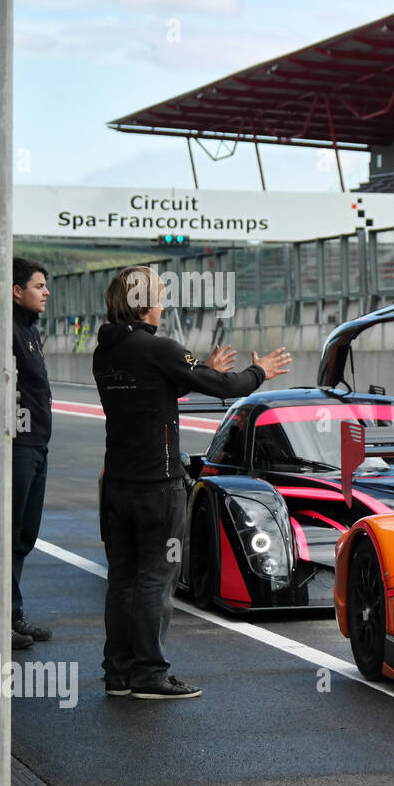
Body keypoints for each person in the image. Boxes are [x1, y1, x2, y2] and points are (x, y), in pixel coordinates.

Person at [94, 265, 290, 699]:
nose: (163, 303)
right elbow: (225, 386)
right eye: (160, 295)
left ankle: (119, 674)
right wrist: (260, 372)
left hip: (118, 484)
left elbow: (149, 391)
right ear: (144, 303)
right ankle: (150, 675)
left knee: (123, 579)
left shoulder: (105, 349)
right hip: (158, 486)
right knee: (156, 581)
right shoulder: (159, 347)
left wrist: (198, 370)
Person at [11, 257, 55, 650]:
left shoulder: (30, 330)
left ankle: (13, 614)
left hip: (37, 443)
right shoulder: (4, 330)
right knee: (8, 535)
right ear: (16, 290)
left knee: (25, 535)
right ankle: (0, 618)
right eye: (39, 286)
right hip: (17, 445)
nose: (46, 293)